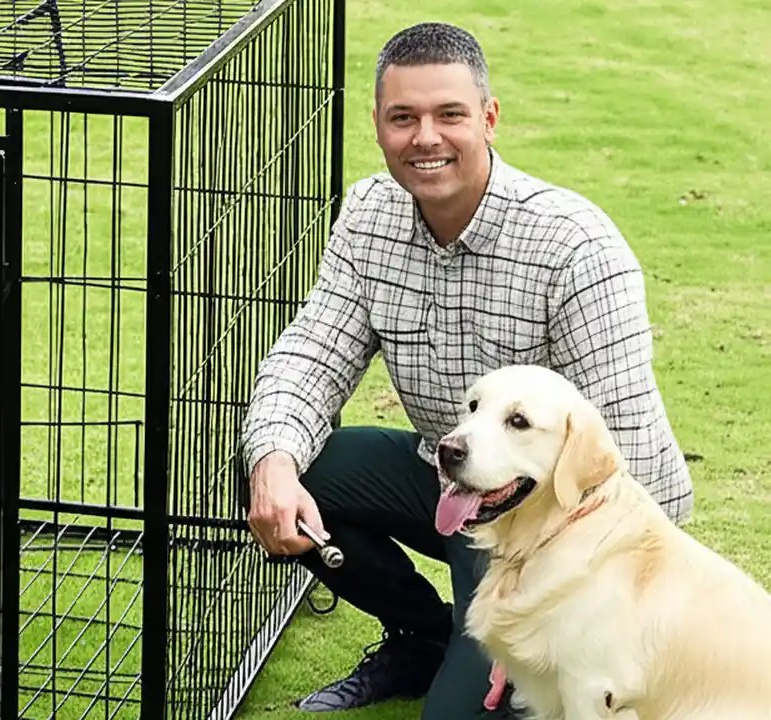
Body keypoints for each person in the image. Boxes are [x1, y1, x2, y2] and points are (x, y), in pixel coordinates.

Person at [237, 21, 693, 719]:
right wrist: (272, 463)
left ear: (488, 117)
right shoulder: (367, 215)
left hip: (552, 535)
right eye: (403, 117)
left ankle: (489, 649)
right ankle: (423, 636)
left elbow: (638, 472)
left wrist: (563, 625)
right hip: (448, 479)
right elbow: (309, 358)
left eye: (449, 114)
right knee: (290, 464)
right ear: (378, 126)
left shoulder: (576, 249)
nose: (426, 138)